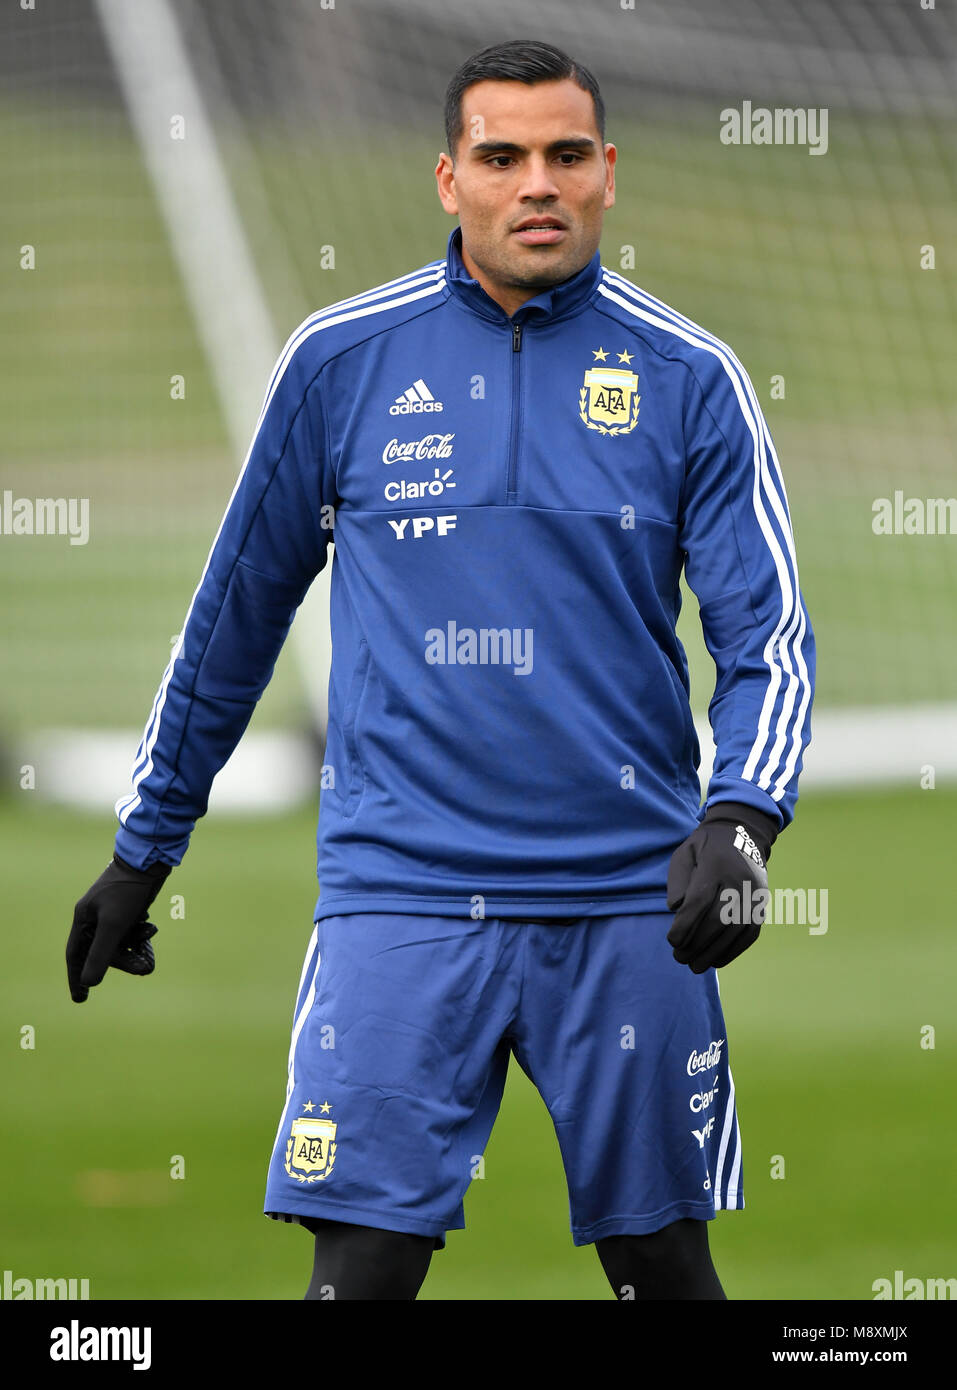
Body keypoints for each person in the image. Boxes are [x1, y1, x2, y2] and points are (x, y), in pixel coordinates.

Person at [67, 39, 815, 1300]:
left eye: (566, 155)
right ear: (447, 177)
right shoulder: (339, 364)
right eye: (502, 156)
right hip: (401, 897)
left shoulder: (695, 381)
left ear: (609, 174)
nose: (538, 183)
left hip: (629, 900)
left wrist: (742, 821)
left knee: (664, 1268)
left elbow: (769, 639)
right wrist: (148, 849)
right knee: (357, 1272)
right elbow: (232, 622)